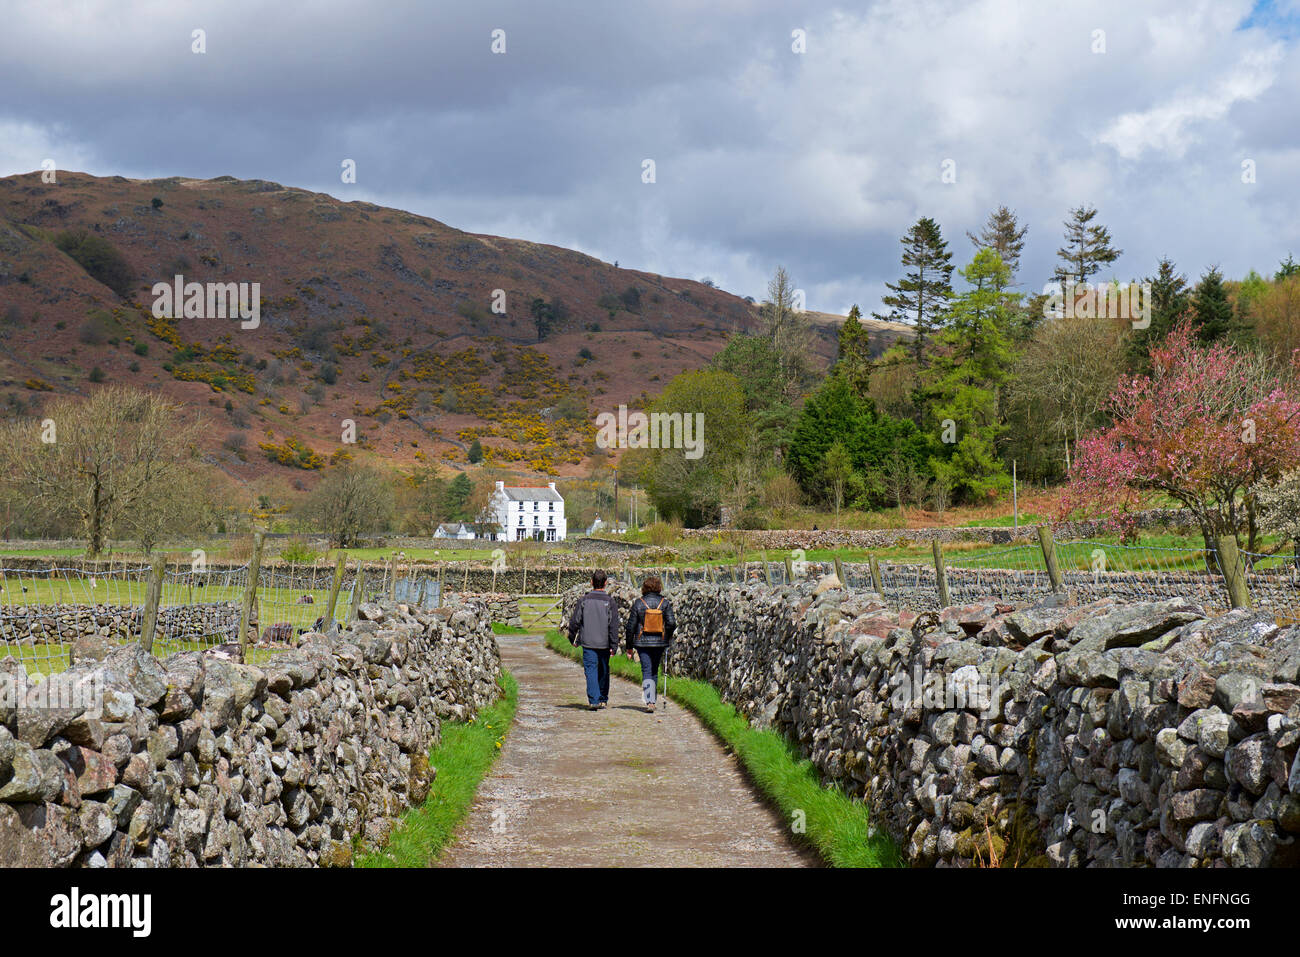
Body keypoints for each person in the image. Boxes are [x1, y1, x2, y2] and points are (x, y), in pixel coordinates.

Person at [566, 570, 621, 710]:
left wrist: (572, 638)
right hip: (604, 643)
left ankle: (593, 700)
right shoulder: (610, 602)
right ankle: (602, 698)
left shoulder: (584, 600)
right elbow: (614, 625)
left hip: (588, 643)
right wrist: (614, 645)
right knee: (603, 670)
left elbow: (575, 621)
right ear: (605, 583)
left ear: (591, 582)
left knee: (590, 671)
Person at [624, 576, 675, 713]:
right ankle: (652, 699)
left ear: (644, 588)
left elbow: (631, 626)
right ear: (659, 587)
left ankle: (650, 701)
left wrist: (629, 646)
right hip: (659, 642)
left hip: (642, 642)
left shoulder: (639, 603)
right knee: (654, 670)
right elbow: (671, 623)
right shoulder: (665, 603)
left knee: (646, 669)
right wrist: (667, 637)